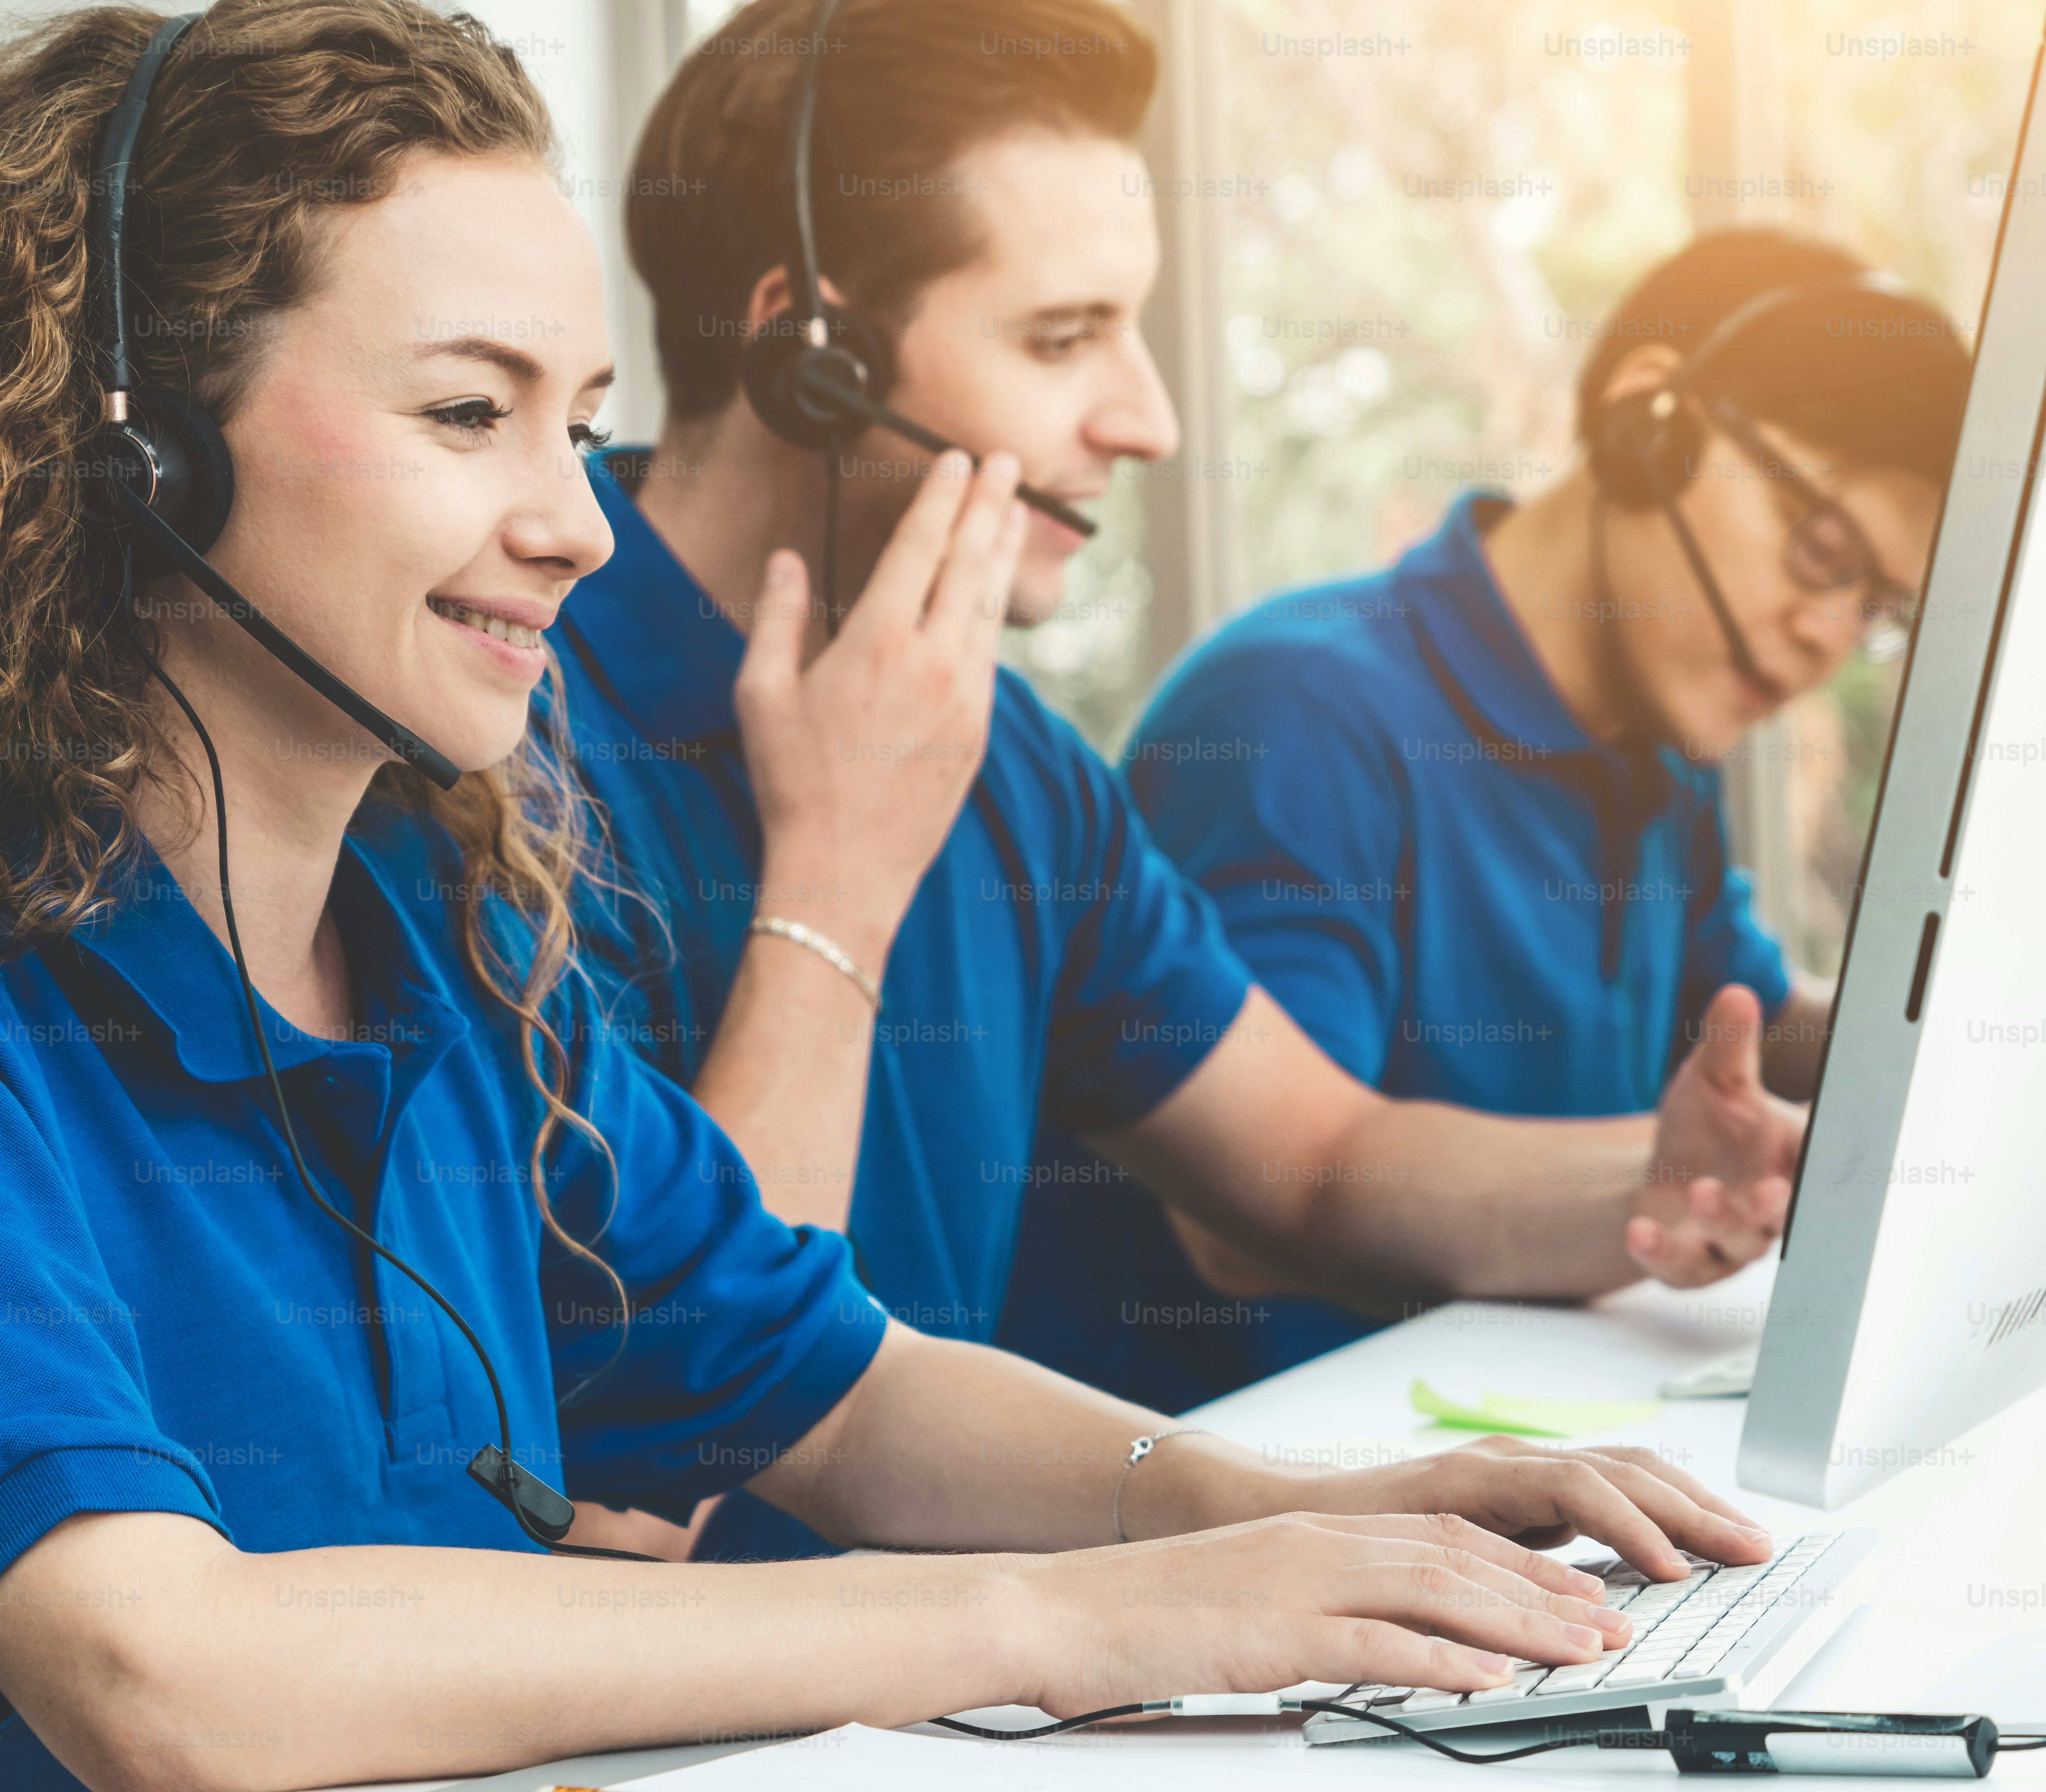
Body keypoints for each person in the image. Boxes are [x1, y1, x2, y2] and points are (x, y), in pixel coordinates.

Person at [0, 8, 1770, 1792]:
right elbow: (160, 1670)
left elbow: (845, 1385)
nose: (574, 521)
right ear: (132, 452)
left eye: (578, 425)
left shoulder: (448, 946)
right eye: (465, 413)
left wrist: (1297, 1522)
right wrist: (1063, 1616)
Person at [556, 0, 1803, 1561]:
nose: (1143, 420)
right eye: (1059, 338)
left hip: (980, 1666)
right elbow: (633, 1513)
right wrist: (838, 880)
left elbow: (1316, 1162)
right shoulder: (506, 750)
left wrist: (1657, 1179)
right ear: (808, 351)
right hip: (704, 1704)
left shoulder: (1006, 753)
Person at [1007, 229, 1974, 1405]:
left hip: (1528, 1426)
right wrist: (1655, 1172)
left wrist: (1985, 1026)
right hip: (1265, 1459)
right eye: (1821, 550)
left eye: (1876, 610)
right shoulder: (1300, 714)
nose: (1829, 636)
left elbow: (1748, 1027)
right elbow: (1249, 1210)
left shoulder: (1657, 750)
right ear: (1649, 421)